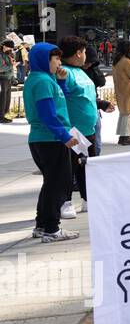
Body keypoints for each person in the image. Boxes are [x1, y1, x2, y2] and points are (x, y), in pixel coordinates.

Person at [24, 43, 79, 243]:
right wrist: (64, 136)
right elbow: (48, 114)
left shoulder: (40, 79)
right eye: (55, 58)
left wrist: (61, 82)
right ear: (44, 60)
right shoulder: (43, 81)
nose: (59, 62)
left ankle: (42, 225)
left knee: (51, 184)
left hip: (42, 139)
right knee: (60, 185)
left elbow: (58, 102)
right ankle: (51, 229)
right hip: (51, 139)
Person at [58, 37, 112, 217]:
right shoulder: (63, 72)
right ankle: (65, 202)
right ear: (77, 53)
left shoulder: (81, 71)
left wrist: (101, 104)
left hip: (89, 129)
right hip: (72, 130)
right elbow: (61, 98)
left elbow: (85, 97)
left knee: (87, 166)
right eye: (83, 52)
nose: (85, 55)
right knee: (70, 168)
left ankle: (88, 199)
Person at [0, 39, 16, 122]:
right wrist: (11, 66)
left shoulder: (7, 54)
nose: (11, 50)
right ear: (4, 46)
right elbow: (1, 68)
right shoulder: (0, 54)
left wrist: (13, 78)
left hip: (8, 78)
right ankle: (1, 116)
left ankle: (4, 115)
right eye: (9, 48)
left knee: (7, 99)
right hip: (2, 79)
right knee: (2, 99)